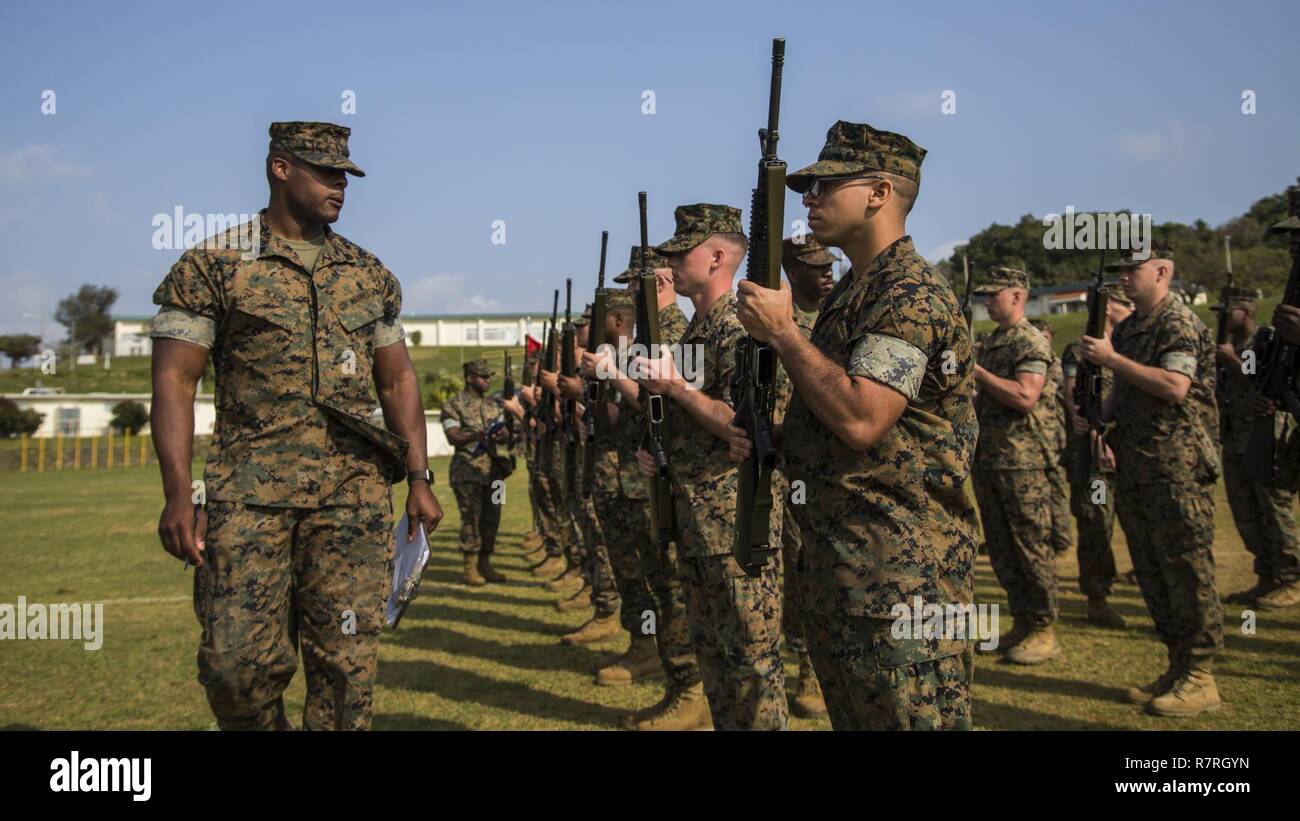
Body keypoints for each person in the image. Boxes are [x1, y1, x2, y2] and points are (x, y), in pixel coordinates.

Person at [150, 121, 444, 730]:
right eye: (327, 172)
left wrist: (418, 477)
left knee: (345, 667)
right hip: (250, 497)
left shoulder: (369, 274)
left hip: (352, 495)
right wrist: (179, 493)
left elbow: (396, 382)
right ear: (281, 169)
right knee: (235, 663)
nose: (340, 186)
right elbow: (176, 382)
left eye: (346, 175)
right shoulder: (215, 265)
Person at [732, 121, 978, 730]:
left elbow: (864, 418)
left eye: (825, 186)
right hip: (848, 571)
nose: (808, 200)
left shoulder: (910, 293)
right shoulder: (857, 293)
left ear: (878, 192)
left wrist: (785, 333)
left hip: (903, 578)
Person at [635, 203, 787, 731]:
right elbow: (696, 420)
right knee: (715, 655)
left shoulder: (742, 329)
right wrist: (660, 450)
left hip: (735, 519)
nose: (672, 263)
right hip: (698, 517)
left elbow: (744, 427)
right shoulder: (696, 330)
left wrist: (674, 387)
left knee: (750, 659)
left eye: (683, 251)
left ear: (718, 255)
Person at [1079, 239, 1225, 717]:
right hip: (1139, 463)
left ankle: (1200, 675)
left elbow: (1174, 386)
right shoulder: (1134, 328)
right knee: (1152, 570)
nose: (1124, 277)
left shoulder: (1178, 322)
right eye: (1120, 270)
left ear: (1162, 271)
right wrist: (1097, 417)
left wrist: (1110, 359)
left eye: (1132, 269)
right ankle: (1178, 665)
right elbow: (1123, 389)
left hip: (1178, 466)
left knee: (1186, 569)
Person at [972, 268, 1063, 664]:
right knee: (1003, 549)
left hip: (1024, 461)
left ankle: (1044, 628)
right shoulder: (993, 342)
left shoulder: (1028, 340)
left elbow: (1026, 395)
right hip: (992, 458)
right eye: (985, 296)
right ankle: (1022, 621)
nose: (988, 301)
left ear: (1018, 295)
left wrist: (977, 373)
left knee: (1031, 548)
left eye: (995, 294)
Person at [775, 234, 836, 719]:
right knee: (778, 574)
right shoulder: (774, 326)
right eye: (816, 266)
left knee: (810, 570)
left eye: (829, 263)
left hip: (820, 473)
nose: (828, 272)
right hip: (775, 467)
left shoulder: (839, 320)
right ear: (792, 273)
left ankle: (811, 672)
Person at [1215, 290, 1300, 609]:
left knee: (1273, 508)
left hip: (1263, 434)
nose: (1221, 316)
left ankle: (1291, 577)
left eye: (1228, 309)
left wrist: (1231, 361)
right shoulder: (1228, 347)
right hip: (1234, 435)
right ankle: (1266, 575)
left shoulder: (1266, 343)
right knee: (1245, 511)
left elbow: (1265, 381)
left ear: (1248, 310)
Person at [1060, 284, 1133, 627]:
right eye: (1122, 305)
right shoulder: (1078, 351)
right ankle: (1098, 597)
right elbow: (1077, 403)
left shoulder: (1133, 345)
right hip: (1095, 452)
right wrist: (1095, 434)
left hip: (1134, 447)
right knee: (1096, 523)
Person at [442, 358, 511, 585]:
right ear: (470, 378)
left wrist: (503, 435)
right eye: (483, 377)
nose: (488, 380)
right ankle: (470, 567)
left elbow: (507, 433)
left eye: (489, 376)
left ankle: (485, 563)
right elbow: (453, 437)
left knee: (493, 517)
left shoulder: (494, 404)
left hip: (495, 473)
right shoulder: (454, 404)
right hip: (467, 472)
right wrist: (474, 436)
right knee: (471, 517)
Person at [1029, 317, 1073, 558]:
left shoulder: (1053, 364)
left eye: (1044, 337)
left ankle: (1062, 537)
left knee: (1055, 489)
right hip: (1038, 435)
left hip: (1054, 434)